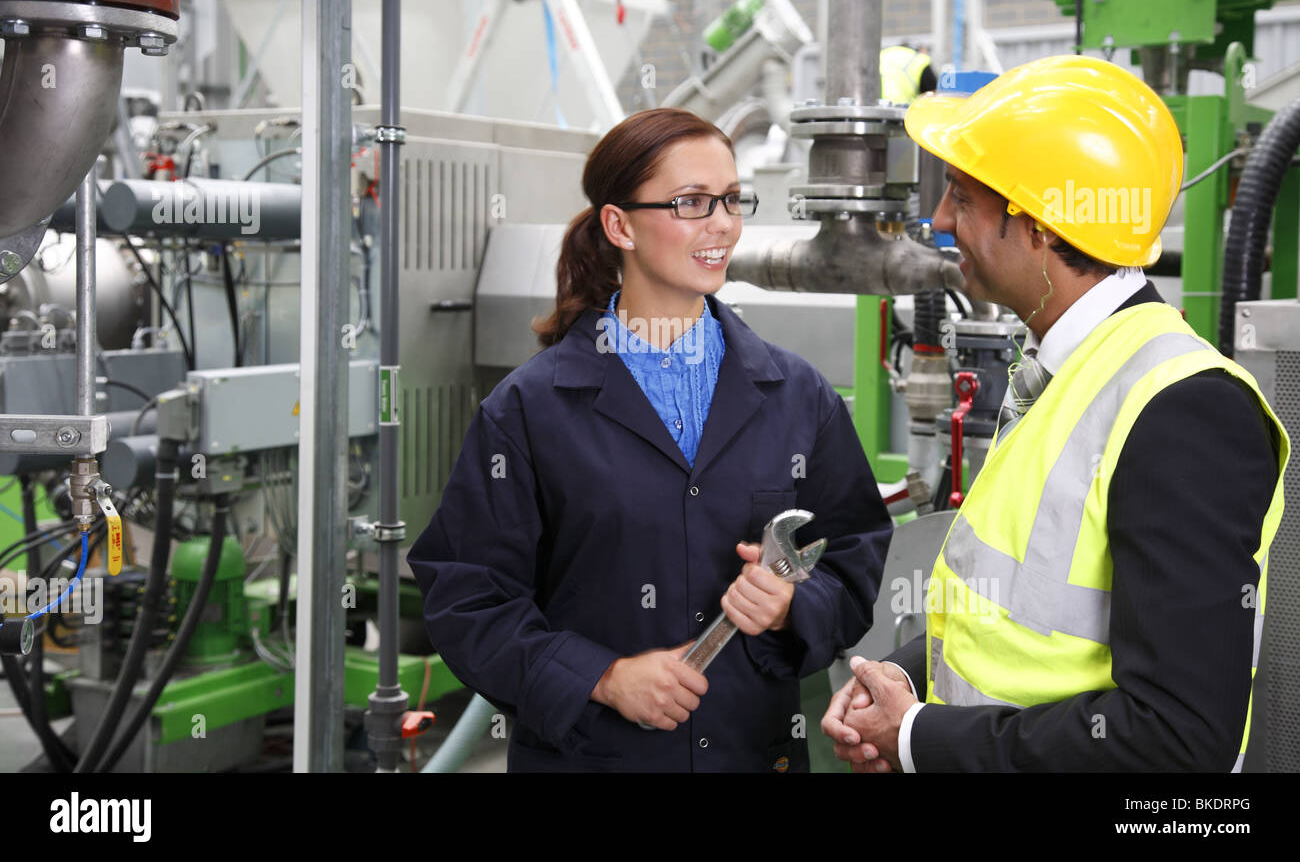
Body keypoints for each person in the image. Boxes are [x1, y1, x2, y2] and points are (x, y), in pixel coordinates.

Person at [821, 55, 1290, 772]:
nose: (940, 222)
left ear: (1042, 223)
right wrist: (907, 679)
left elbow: (1177, 739)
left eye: (961, 198)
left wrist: (919, 738)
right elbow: (1019, 616)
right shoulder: (1065, 367)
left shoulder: (1185, 410)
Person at [408, 106, 892, 772]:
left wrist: (791, 605)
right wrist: (601, 677)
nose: (721, 223)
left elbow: (854, 558)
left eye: (730, 199)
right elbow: (468, 599)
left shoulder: (799, 396)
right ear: (619, 225)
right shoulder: (528, 410)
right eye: (692, 202)